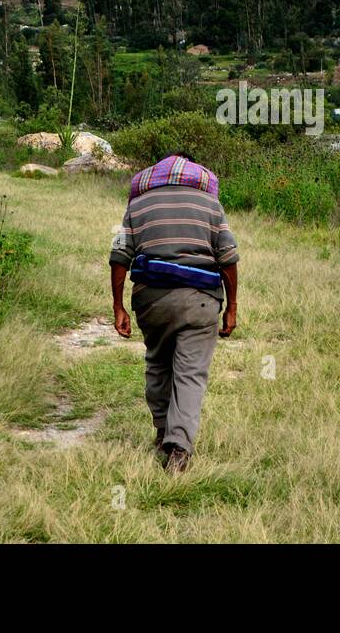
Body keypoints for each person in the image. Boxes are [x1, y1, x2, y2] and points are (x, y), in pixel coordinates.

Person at [109, 151, 239, 472]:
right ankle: (178, 447)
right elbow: (229, 258)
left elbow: (118, 256)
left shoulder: (137, 205)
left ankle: (161, 431)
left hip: (151, 298)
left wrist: (118, 307)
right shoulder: (210, 205)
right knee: (190, 373)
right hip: (201, 299)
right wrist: (232, 307)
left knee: (158, 361)